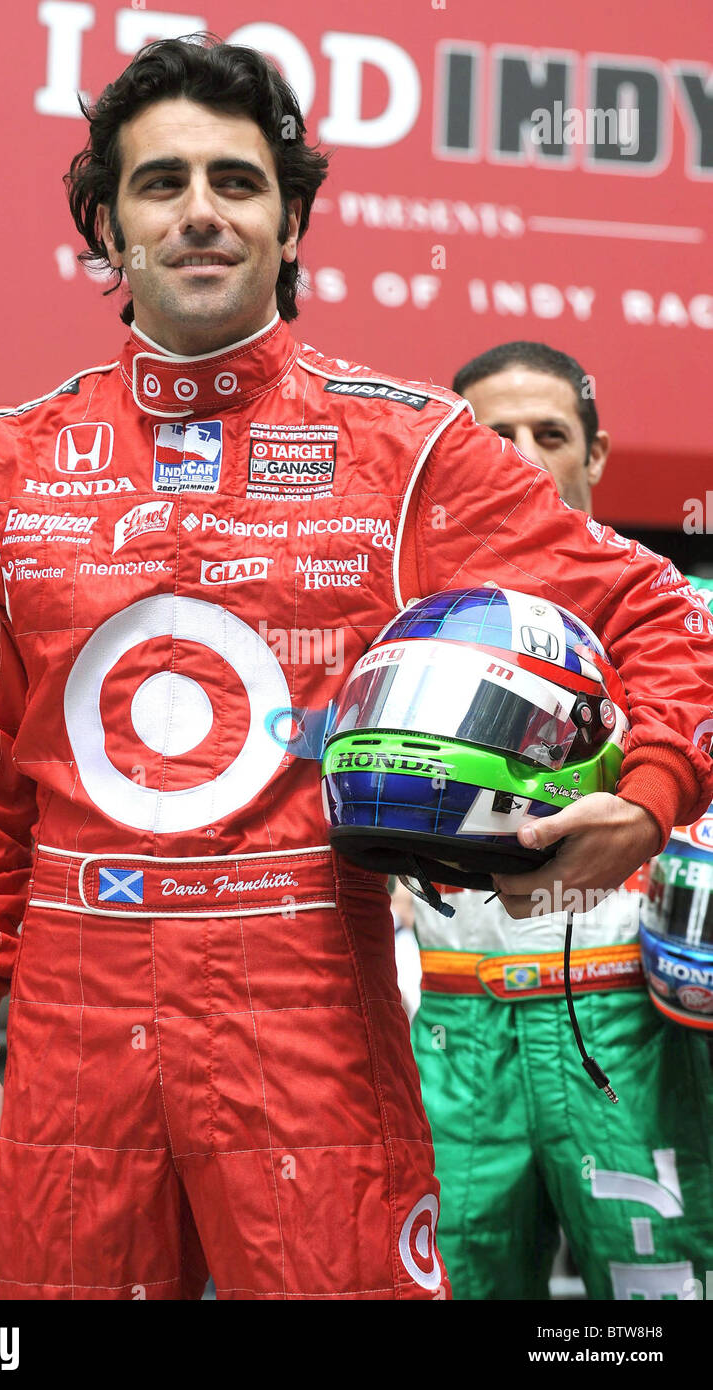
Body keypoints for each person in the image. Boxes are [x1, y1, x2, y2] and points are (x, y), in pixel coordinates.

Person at [0, 39, 713, 1302]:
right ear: (106, 227)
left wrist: (649, 790)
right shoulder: (7, 463)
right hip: (68, 1038)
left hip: (311, 1025)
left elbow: (661, 611)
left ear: (289, 223)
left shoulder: (407, 452)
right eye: (160, 182)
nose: (201, 211)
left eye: (237, 180)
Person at [409, 339, 713, 1300]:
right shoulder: (392, 631)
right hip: (447, 1036)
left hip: (638, 1030)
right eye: (491, 435)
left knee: (656, 1304)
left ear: (597, 455)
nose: (523, 453)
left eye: (551, 433)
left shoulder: (679, 621)